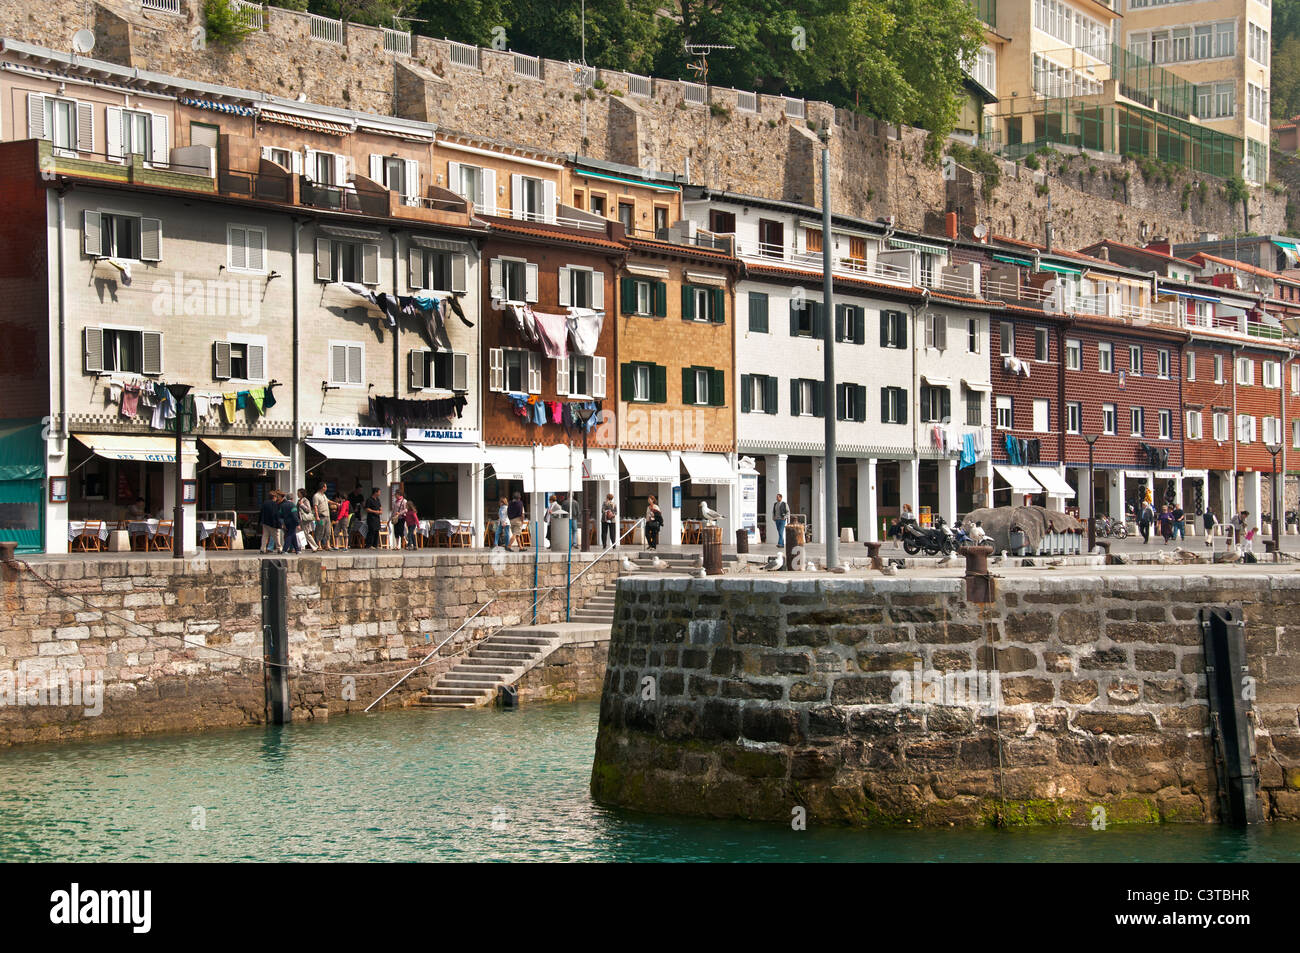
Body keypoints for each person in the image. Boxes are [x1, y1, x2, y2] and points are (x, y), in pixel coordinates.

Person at [279, 489, 301, 554]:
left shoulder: (282, 505)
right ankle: (284, 550)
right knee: (289, 535)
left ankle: (297, 549)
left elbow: (280, 515)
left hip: (286, 523)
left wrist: (282, 523)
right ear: (292, 498)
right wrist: (298, 524)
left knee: (293, 535)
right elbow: (294, 516)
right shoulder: (292, 505)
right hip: (292, 523)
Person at [313, 483, 333, 551]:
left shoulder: (324, 495)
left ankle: (327, 545)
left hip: (327, 516)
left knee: (328, 531)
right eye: (325, 486)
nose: (326, 488)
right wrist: (317, 516)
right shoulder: (316, 496)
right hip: (321, 516)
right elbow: (315, 506)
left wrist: (336, 503)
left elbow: (328, 501)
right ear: (322, 487)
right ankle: (319, 545)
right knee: (319, 530)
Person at [348, 481, 366, 547]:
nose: (360, 491)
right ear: (356, 489)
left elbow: (363, 505)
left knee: (358, 529)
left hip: (358, 515)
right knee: (351, 528)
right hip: (351, 514)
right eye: (359, 490)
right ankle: (350, 543)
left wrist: (367, 508)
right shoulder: (350, 496)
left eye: (361, 490)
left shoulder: (360, 496)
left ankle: (357, 543)